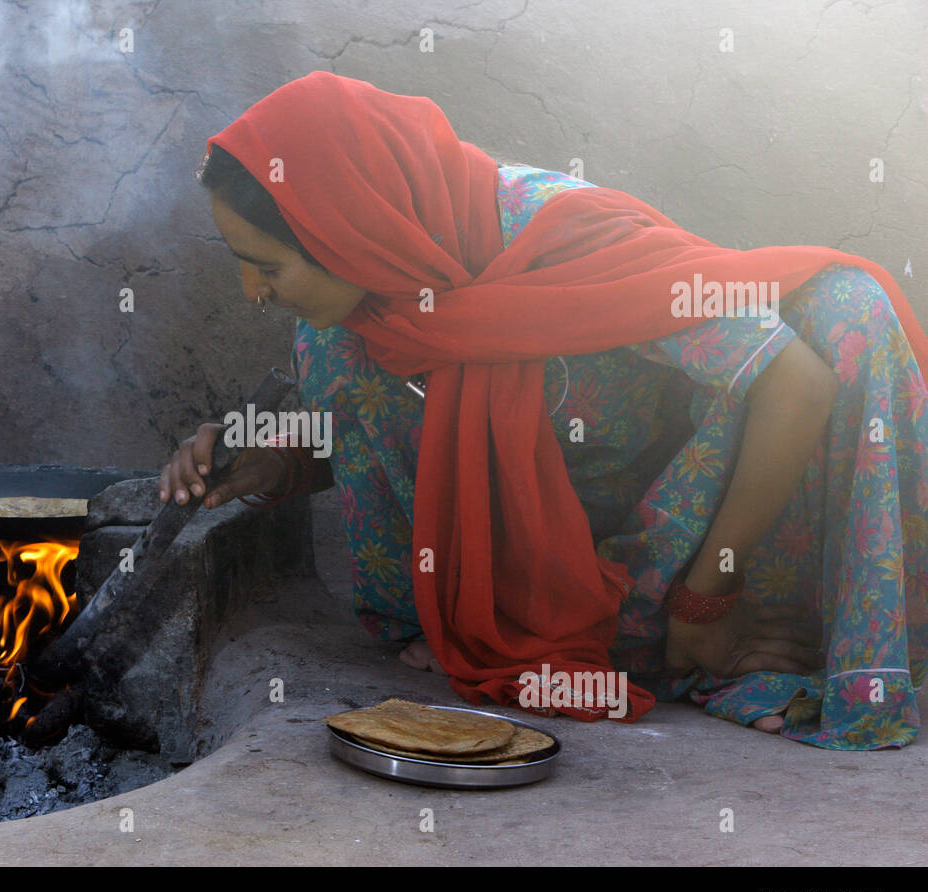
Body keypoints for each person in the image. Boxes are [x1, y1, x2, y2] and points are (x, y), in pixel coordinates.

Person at [158, 70, 928, 750]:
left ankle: (699, 638)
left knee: (845, 307)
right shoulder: (374, 306)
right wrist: (275, 452)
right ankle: (519, 628)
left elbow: (798, 385)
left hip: (672, 543)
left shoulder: (565, 240)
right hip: (523, 574)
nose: (251, 296)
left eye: (265, 268)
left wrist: (706, 594)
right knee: (335, 352)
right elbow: (386, 421)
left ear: (351, 232)